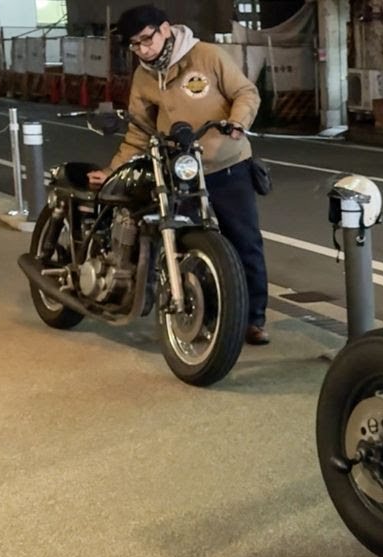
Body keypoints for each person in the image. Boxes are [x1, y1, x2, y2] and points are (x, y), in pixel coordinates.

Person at [88, 4, 270, 345]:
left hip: (226, 164)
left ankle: (254, 319)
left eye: (147, 39)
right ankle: (206, 314)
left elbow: (245, 92)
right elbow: (139, 132)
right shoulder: (144, 76)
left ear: (166, 29)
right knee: (183, 242)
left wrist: (238, 122)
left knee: (244, 242)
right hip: (177, 171)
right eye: (135, 45)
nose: (144, 49)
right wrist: (113, 171)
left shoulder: (207, 55)